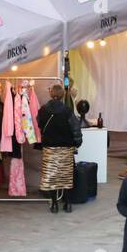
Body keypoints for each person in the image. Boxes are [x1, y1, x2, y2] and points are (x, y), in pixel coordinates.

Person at [37, 83, 78, 212]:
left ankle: (54, 205)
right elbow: (75, 129)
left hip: (50, 148)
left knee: (52, 177)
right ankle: (68, 204)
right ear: (62, 95)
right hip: (66, 148)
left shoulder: (43, 110)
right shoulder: (67, 111)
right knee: (66, 176)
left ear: (51, 94)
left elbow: (39, 124)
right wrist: (77, 143)